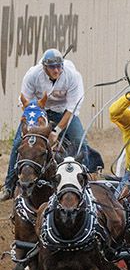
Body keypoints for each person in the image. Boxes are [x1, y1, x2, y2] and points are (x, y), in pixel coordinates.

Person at [3, 48, 86, 200]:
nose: (57, 70)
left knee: (80, 140)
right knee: (18, 144)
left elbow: (72, 108)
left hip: (65, 112)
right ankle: (9, 186)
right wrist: (33, 122)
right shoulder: (33, 75)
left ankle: (86, 183)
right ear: (44, 67)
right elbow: (26, 102)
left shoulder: (73, 76)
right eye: (52, 67)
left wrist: (56, 131)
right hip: (40, 110)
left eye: (59, 66)